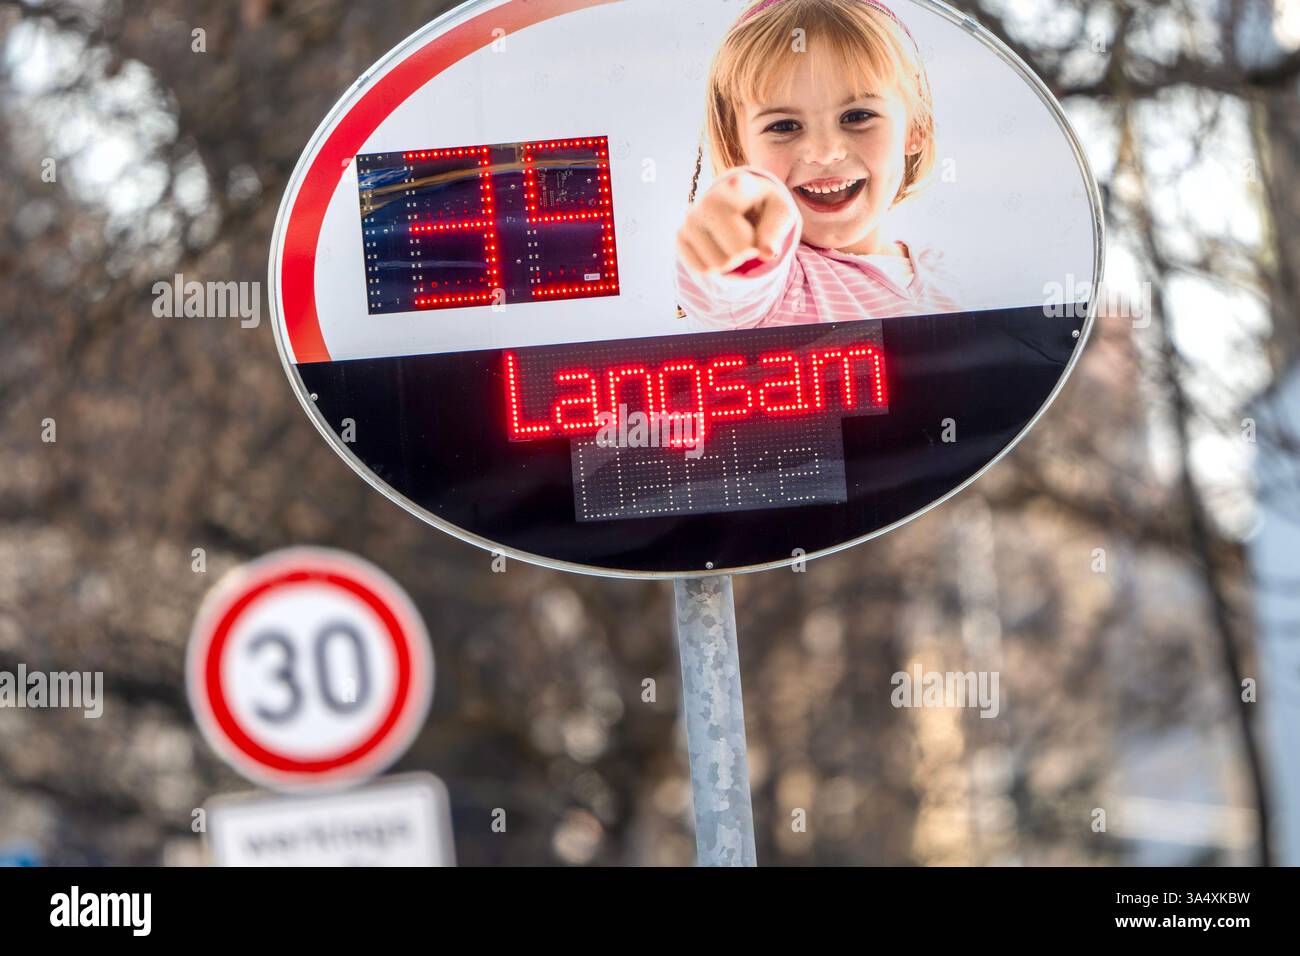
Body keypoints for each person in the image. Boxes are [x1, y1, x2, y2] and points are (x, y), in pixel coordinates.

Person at [675, 0, 961, 328]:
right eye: (783, 126)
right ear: (736, 148)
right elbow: (726, 288)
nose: (824, 153)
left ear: (915, 128)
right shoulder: (776, 286)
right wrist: (728, 237)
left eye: (857, 116)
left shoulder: (948, 275)